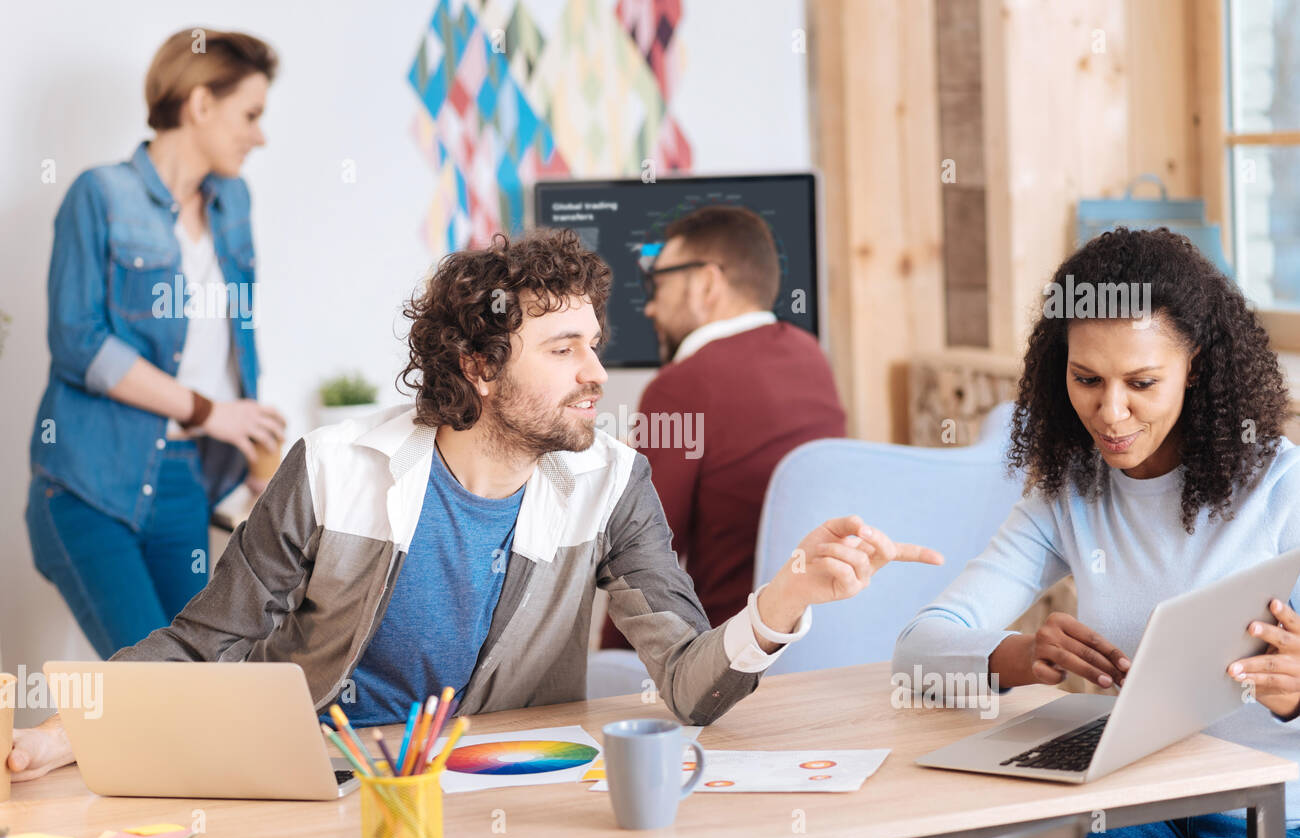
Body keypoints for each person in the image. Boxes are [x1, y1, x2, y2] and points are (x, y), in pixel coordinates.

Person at [9, 228, 941, 781]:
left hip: (514, 791)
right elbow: (206, 641)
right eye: (564, 348)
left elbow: (692, 688)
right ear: (481, 366)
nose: (594, 375)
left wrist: (783, 600)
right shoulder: (334, 468)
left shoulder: (613, 483)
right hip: (339, 783)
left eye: (595, 343)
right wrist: (68, 727)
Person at [893, 227, 1300, 838]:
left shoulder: (1282, 490)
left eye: (1142, 383)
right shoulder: (1070, 492)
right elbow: (917, 650)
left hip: (1277, 806)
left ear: (1196, 370)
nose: (1111, 413)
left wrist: (1296, 694)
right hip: (1143, 798)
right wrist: (1020, 656)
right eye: (1087, 379)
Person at [25, 28, 286, 660]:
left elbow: (232, 341)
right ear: (200, 104)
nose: (260, 135)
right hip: (92, 485)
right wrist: (208, 412)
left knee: (203, 675)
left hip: (183, 481)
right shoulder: (102, 194)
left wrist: (254, 448)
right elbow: (79, 343)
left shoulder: (233, 202)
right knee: (153, 688)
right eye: (249, 114)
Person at [600, 205, 845, 655]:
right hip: (817, 644)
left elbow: (641, 559)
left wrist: (612, 671)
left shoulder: (681, 384)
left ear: (706, 283)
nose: (651, 306)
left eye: (658, 283)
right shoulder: (810, 357)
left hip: (723, 658)